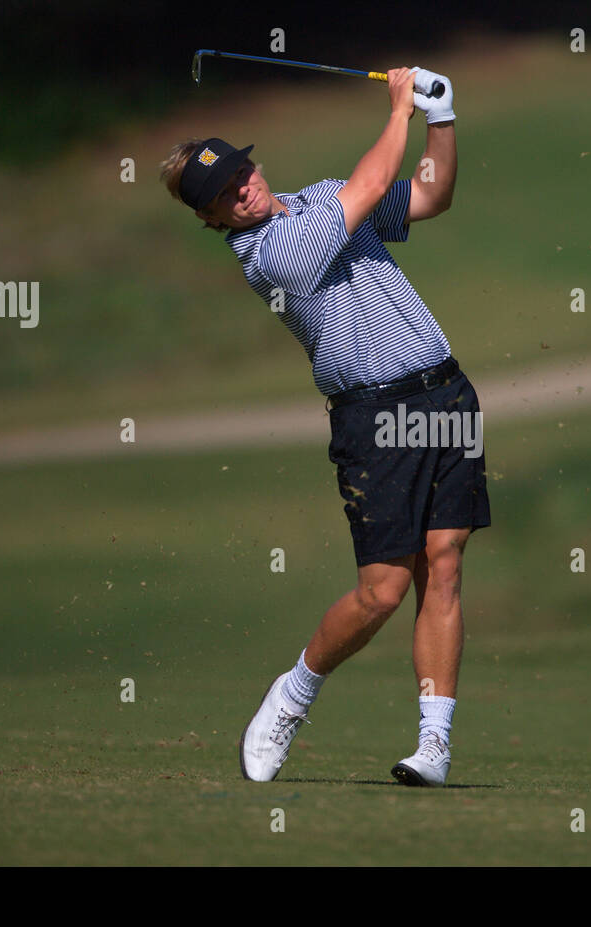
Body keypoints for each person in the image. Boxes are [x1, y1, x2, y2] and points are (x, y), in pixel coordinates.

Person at [159, 67, 489, 787]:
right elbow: (370, 188)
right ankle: (293, 694)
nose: (241, 190)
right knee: (382, 592)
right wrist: (399, 108)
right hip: (374, 417)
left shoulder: (317, 199)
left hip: (445, 394)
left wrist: (443, 119)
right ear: (211, 219)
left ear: (254, 165)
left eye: (240, 173)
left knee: (446, 563)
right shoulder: (268, 257)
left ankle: (434, 744)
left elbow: (431, 195)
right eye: (223, 196)